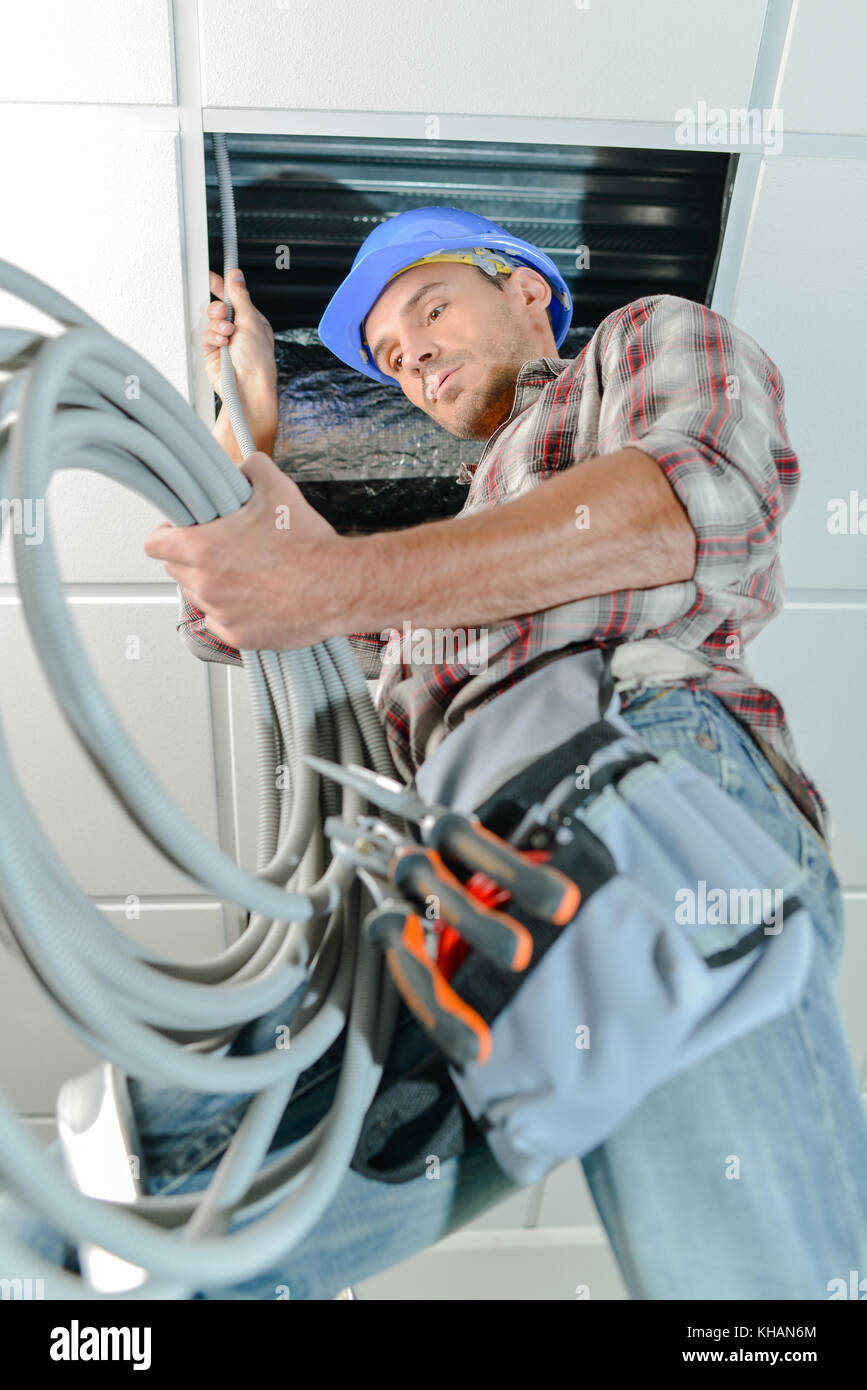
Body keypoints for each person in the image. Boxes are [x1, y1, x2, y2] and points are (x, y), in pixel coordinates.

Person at [11, 210, 867, 1299]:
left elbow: (693, 502)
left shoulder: (643, 339)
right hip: (465, 895)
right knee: (150, 1239)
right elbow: (253, 623)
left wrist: (334, 582)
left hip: (647, 793)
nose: (409, 355)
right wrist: (253, 428)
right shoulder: (447, 565)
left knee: (741, 1286)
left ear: (526, 294)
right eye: (390, 357)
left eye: (427, 309)